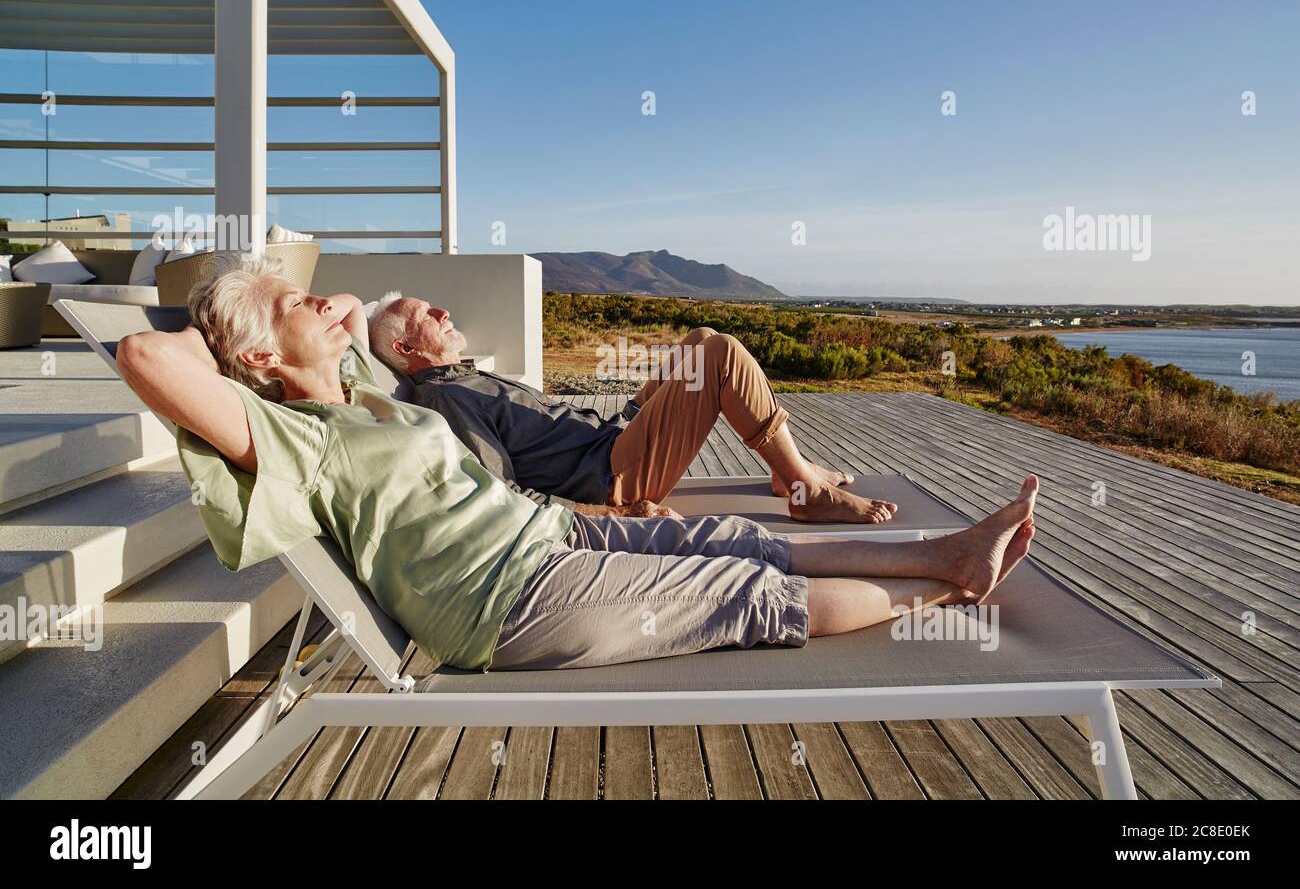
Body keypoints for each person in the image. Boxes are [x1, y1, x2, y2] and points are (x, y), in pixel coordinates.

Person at [116, 254, 1038, 673]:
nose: (326, 304)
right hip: (502, 596)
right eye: (297, 306)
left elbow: (357, 310)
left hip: (545, 532)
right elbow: (144, 355)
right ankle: (949, 582)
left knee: (738, 538)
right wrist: (223, 331)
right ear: (258, 358)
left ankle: (944, 547)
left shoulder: (365, 395)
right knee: (743, 591)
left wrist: (289, 310)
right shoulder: (297, 435)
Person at [368, 293, 901, 523]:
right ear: (405, 348)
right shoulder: (447, 399)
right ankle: (806, 492)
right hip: (612, 475)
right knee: (720, 354)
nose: (443, 312)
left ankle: (789, 471)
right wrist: (618, 515)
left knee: (700, 338)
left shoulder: (460, 378)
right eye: (426, 315)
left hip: (610, 436)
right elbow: (500, 495)